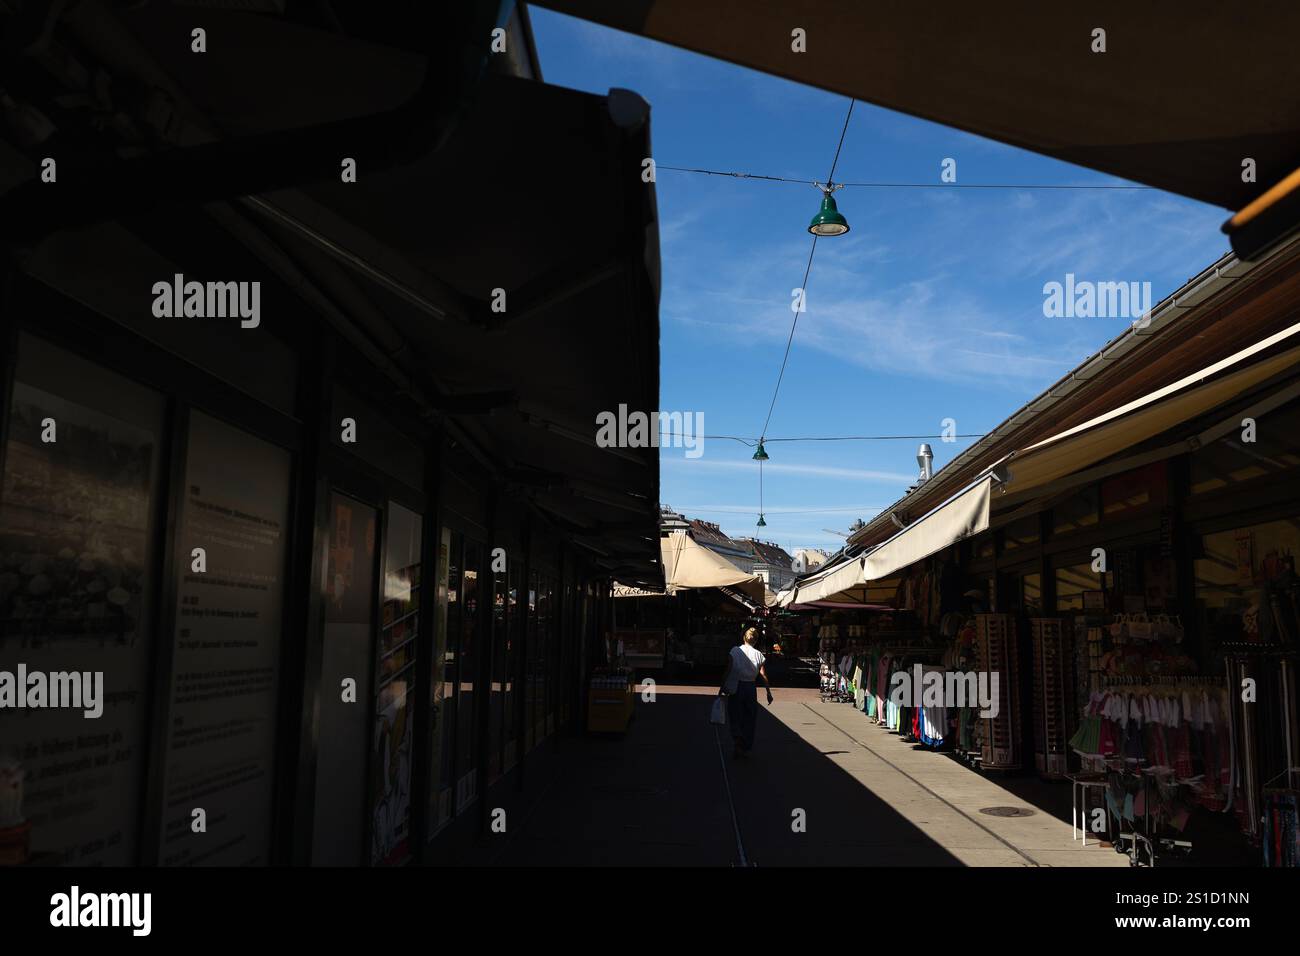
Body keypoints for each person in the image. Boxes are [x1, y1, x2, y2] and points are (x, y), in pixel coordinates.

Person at [718, 626, 773, 758]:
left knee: (735, 714)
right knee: (749, 716)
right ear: (756, 640)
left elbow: (728, 670)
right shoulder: (759, 654)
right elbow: (763, 675)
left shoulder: (735, 651)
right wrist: (768, 692)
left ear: (744, 638)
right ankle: (745, 743)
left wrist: (722, 687)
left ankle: (737, 741)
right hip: (750, 688)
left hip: (736, 686)